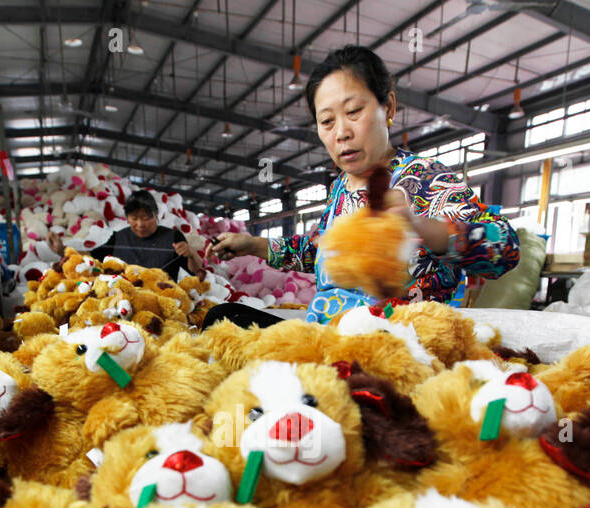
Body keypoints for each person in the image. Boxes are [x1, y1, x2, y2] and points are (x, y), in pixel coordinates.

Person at [209, 44, 520, 324]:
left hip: (402, 341)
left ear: (389, 109)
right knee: (224, 317)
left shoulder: (425, 179)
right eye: (327, 121)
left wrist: (418, 226)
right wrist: (253, 246)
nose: (341, 132)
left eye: (354, 111)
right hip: (331, 332)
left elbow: (505, 248)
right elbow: (321, 250)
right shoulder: (340, 190)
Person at [49, 189, 204, 281]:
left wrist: (191, 254)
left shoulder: (173, 237)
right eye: (134, 218)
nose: (140, 224)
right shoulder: (119, 237)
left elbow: (196, 271)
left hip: (162, 301)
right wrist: (62, 250)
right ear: (127, 218)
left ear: (156, 215)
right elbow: (91, 256)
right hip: (124, 302)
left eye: (146, 218)